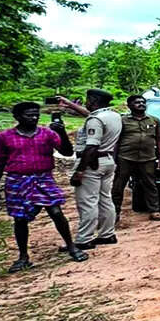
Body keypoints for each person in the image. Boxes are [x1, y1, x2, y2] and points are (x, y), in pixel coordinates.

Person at [0, 103, 88, 271]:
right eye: (29, 115)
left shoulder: (47, 134)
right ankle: (23, 257)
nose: (34, 118)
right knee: (20, 219)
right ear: (18, 117)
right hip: (17, 181)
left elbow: (66, 152)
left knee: (56, 212)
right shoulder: (4, 137)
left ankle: (71, 246)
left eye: (36, 114)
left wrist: (62, 132)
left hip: (44, 178)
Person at [58, 89, 122, 249]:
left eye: (88, 99)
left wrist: (80, 171)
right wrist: (70, 105)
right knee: (105, 199)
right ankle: (107, 234)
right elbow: (91, 115)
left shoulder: (95, 120)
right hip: (107, 161)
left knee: (87, 202)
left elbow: (92, 146)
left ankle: (83, 239)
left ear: (94, 100)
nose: (86, 102)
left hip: (92, 162)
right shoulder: (113, 115)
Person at [112, 94, 160, 222]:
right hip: (125, 157)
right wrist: (114, 160)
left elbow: (159, 140)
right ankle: (115, 212)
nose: (141, 104)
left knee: (150, 185)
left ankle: (154, 211)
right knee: (118, 186)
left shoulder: (154, 120)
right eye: (137, 102)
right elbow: (116, 141)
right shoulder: (122, 120)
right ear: (129, 105)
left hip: (147, 158)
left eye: (143, 102)